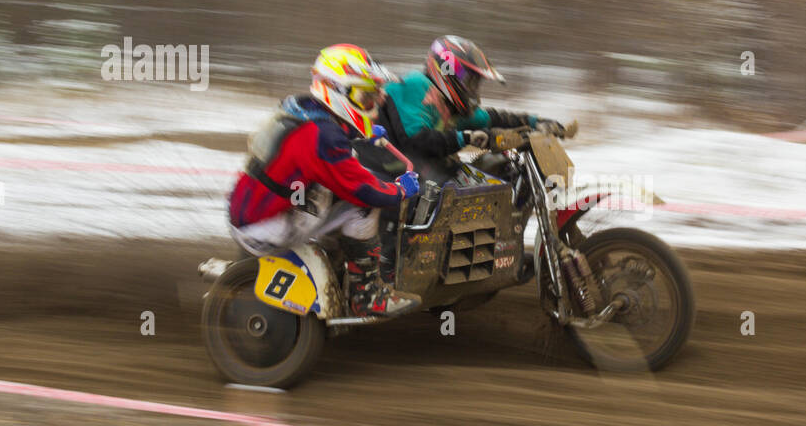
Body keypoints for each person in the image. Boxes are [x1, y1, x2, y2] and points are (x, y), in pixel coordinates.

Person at [228, 43, 422, 318]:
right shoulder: (323, 136)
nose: (373, 102)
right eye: (366, 95)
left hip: (251, 213)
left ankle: (334, 254)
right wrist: (401, 190)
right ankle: (366, 296)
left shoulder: (301, 110)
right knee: (363, 205)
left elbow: (319, 148)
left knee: (340, 191)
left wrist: (358, 132)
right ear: (338, 90)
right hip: (268, 227)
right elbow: (363, 189)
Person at [377, 35, 566, 179]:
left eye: (475, 84)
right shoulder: (417, 85)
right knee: (459, 182)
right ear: (447, 71)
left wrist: (534, 122)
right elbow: (417, 140)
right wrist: (466, 138)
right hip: (384, 167)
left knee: (489, 171)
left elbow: (490, 118)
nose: (472, 89)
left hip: (410, 167)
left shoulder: (448, 105)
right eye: (469, 82)